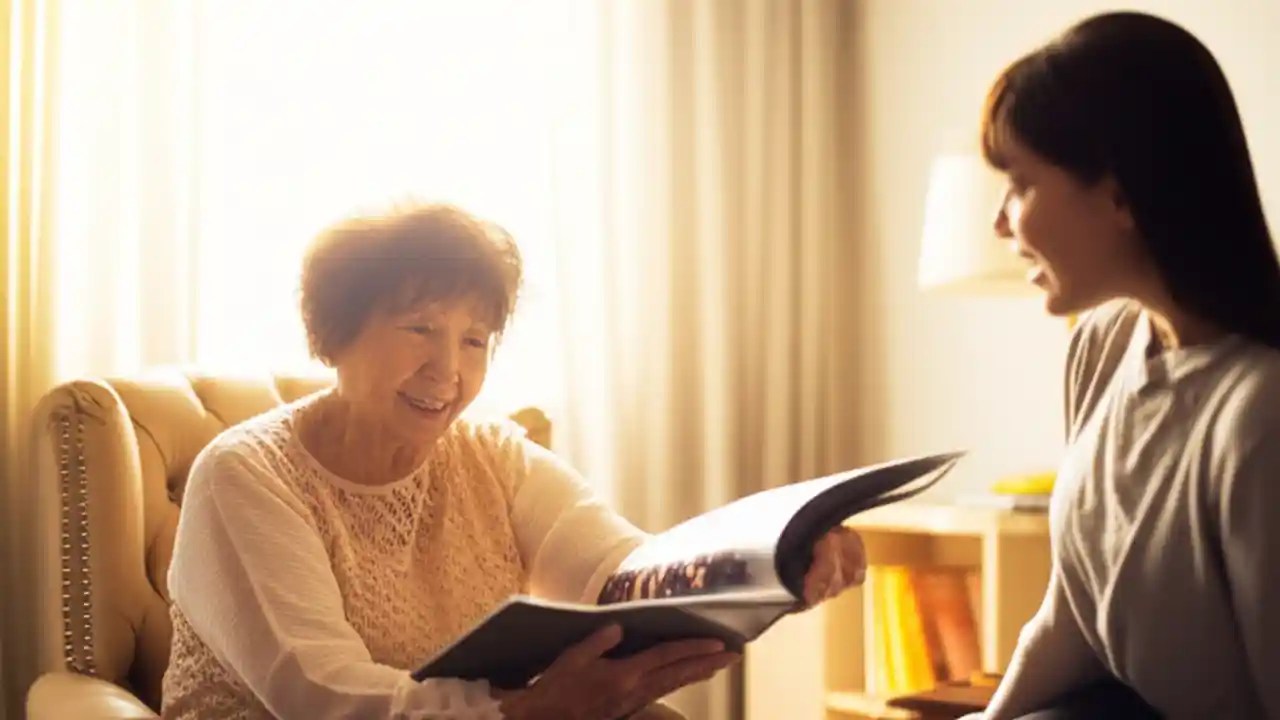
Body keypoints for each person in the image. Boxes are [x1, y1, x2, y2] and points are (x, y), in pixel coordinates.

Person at [160, 203, 868, 719]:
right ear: (333, 334)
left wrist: (773, 568)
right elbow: (318, 692)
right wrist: (523, 715)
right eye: (420, 329)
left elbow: (620, 571)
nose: (448, 369)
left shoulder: (489, 454)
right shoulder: (245, 475)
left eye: (475, 340)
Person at [973, 11, 1280, 720]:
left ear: (1118, 195)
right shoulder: (1102, 345)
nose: (1000, 223)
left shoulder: (1258, 413)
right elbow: (1074, 614)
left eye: (1019, 184)